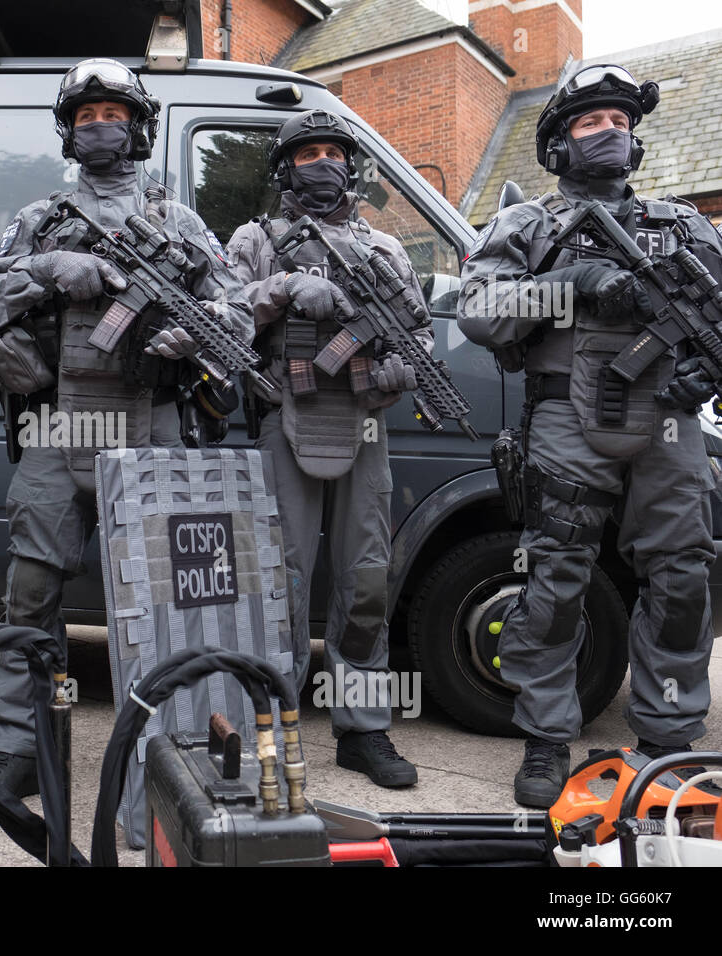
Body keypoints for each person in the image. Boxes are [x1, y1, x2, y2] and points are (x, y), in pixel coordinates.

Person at [0, 58, 253, 810]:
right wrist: (52, 269)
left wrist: (198, 334)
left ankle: (166, 753)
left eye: (113, 111)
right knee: (29, 593)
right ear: (68, 128)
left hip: (151, 424)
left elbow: (240, 319)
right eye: (86, 114)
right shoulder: (41, 219)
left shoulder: (178, 222)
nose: (99, 124)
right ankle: (18, 748)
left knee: (166, 603)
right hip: (60, 423)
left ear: (139, 125)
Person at [458, 65, 720, 807]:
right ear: (558, 147)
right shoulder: (528, 225)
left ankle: (666, 744)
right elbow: (480, 312)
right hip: (565, 416)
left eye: (620, 121)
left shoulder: (683, 225)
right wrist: (570, 283)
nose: (610, 131)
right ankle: (546, 738)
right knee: (556, 577)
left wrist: (704, 369)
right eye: (589, 122)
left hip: (668, 416)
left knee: (681, 578)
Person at [225, 109, 424, 788]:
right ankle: (272, 728)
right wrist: (280, 289)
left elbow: (417, 337)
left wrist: (403, 370)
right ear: (285, 168)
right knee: (280, 580)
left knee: (366, 578)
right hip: (286, 419)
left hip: (364, 426)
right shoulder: (256, 238)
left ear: (352, 164)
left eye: (332, 152)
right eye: (306, 153)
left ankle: (364, 731)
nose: (321, 163)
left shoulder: (386, 250)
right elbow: (218, 314)